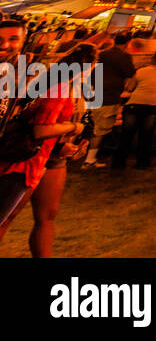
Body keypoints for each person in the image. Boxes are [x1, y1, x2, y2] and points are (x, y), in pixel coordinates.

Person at [0, 45, 91, 243]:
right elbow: (39, 129)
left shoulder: (61, 85)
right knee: (5, 217)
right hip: (26, 162)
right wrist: (73, 127)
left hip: (39, 160)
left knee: (43, 216)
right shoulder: (61, 88)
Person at [28, 44, 96, 257]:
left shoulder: (79, 87)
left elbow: (86, 117)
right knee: (7, 215)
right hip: (32, 155)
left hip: (56, 159)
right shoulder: (53, 86)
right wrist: (68, 136)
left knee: (47, 216)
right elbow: (35, 126)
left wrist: (84, 138)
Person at [112, 48, 156, 169]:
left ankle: (119, 162)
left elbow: (130, 88)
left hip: (136, 103)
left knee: (127, 134)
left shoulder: (141, 71)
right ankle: (142, 162)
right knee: (146, 134)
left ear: (152, 58)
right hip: (155, 104)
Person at [83, 33, 136, 167]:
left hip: (93, 92)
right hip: (109, 96)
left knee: (91, 124)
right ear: (127, 44)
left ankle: (84, 154)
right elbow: (130, 74)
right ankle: (90, 159)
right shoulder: (124, 57)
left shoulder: (102, 54)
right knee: (100, 128)